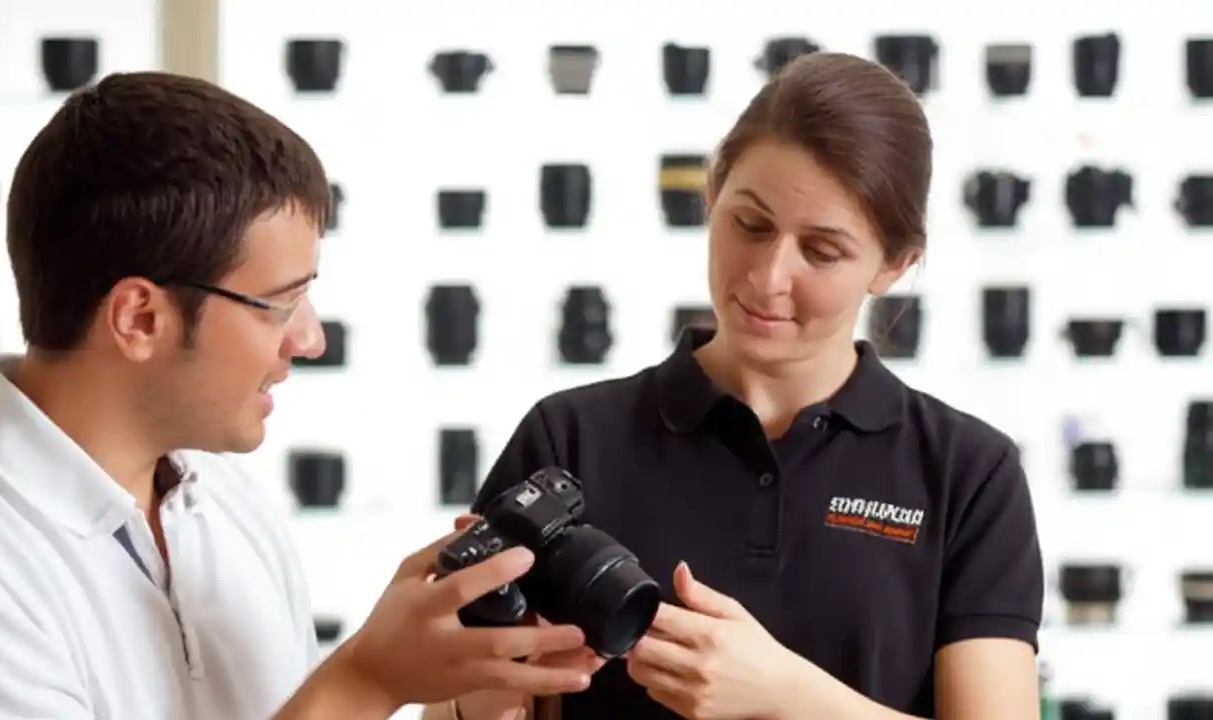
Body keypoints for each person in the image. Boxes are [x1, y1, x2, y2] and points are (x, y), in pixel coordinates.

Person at [0, 71, 594, 720]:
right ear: (140, 319)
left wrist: (465, 702)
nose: (310, 339)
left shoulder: (220, 497)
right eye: (280, 305)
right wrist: (367, 679)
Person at [431, 51, 1045, 720]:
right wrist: (491, 676)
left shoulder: (966, 475)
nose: (768, 275)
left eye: (822, 250)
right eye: (750, 224)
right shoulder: (570, 439)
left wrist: (788, 699)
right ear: (712, 194)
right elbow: (468, 706)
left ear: (895, 264)